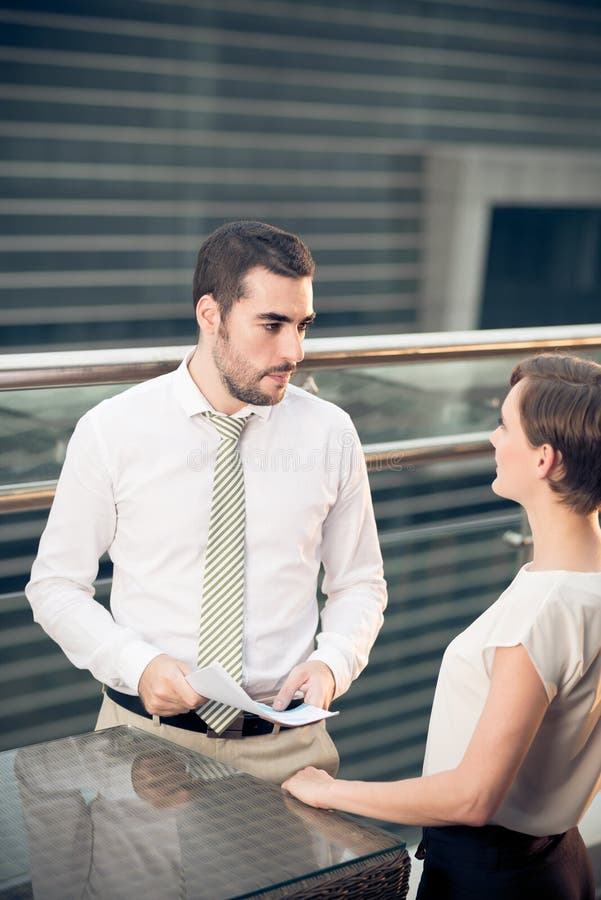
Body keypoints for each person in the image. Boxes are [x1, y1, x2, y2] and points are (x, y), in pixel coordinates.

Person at [25, 220, 387, 783]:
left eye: (302, 326)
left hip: (289, 752)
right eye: (271, 325)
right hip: (142, 746)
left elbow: (359, 583)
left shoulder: (331, 433)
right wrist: (136, 664)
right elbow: (54, 587)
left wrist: (332, 663)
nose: (293, 350)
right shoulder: (112, 430)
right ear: (210, 315)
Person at [283, 353, 601, 899]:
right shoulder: (586, 582)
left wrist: (330, 792)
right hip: (560, 863)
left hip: (493, 879)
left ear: (544, 459)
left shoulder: (543, 611)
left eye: (505, 426)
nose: (493, 438)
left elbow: (472, 799)